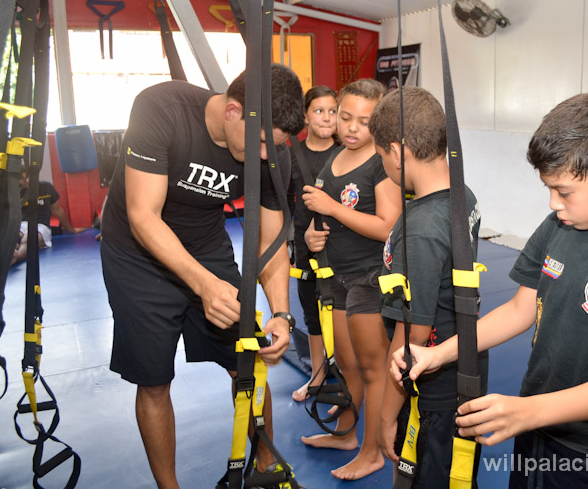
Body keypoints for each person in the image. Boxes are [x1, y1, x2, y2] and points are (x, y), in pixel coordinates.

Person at [393, 93, 588, 488]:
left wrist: (529, 412)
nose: (553, 203)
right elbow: (519, 310)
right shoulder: (559, 226)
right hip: (537, 429)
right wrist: (438, 353)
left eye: (563, 192)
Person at [99, 65, 304, 489]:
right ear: (233, 111)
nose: (268, 155)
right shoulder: (162, 108)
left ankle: (265, 463)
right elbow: (143, 217)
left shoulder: (273, 152)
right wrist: (204, 285)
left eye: (276, 146)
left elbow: (271, 246)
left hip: (205, 246)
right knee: (154, 378)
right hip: (137, 255)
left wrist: (282, 314)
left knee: (245, 360)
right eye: (262, 142)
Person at [371, 86, 488, 487]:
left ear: (398, 151)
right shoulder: (462, 194)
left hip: (430, 391)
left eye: (382, 155)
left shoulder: (419, 229)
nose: (383, 165)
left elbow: (411, 339)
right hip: (464, 370)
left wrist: (386, 418)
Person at [300, 78, 401, 480]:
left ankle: (373, 451)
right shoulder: (336, 157)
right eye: (346, 117)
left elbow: (388, 226)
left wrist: (331, 209)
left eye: (364, 120)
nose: (353, 127)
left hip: (370, 277)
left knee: (374, 369)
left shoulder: (379, 163)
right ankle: (346, 435)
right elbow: (324, 213)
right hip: (337, 275)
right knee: (346, 364)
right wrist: (313, 233)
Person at [289, 85, 343, 402]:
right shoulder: (290, 154)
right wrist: (285, 246)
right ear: (306, 116)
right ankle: (318, 375)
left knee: (345, 309)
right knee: (311, 310)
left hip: (341, 243)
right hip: (303, 243)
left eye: (332, 111)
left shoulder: (347, 152)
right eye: (319, 111)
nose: (326, 117)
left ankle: (350, 374)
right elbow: (281, 203)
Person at [11, 168, 86, 265]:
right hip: (22, 224)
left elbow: (57, 210)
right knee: (14, 237)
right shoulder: (16, 191)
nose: (27, 181)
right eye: (23, 178)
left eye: (29, 177)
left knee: (29, 239)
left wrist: (72, 230)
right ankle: (9, 253)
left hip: (41, 226)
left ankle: (14, 259)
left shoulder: (47, 187)